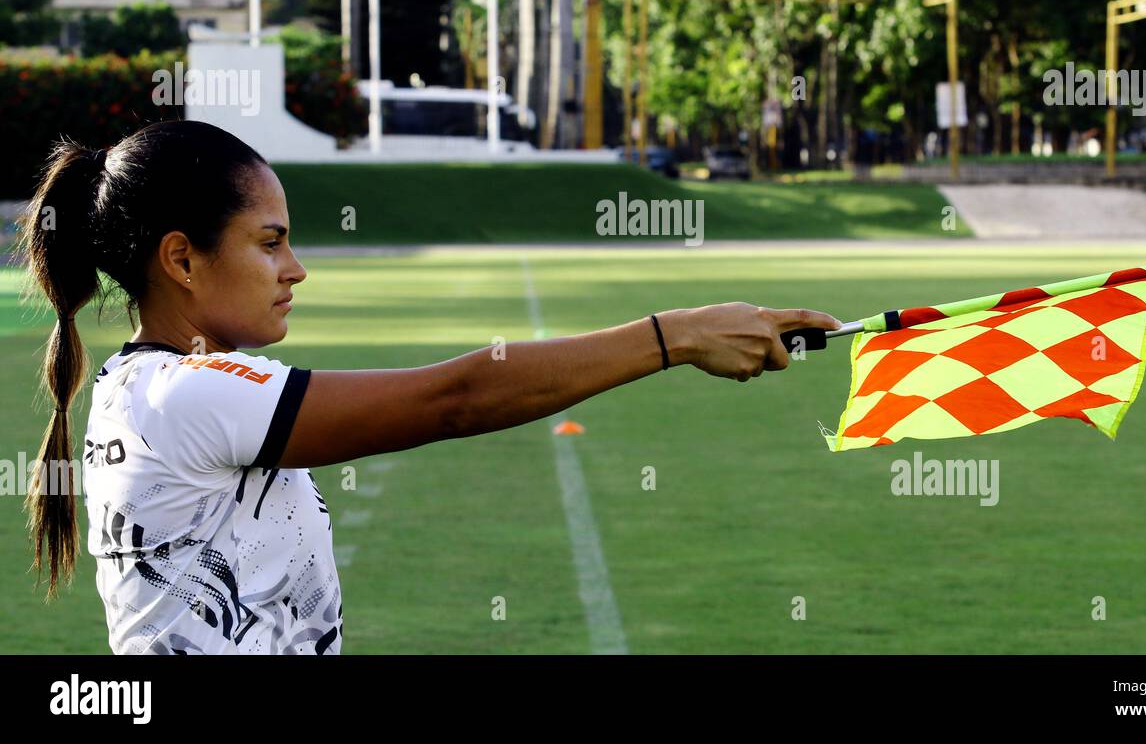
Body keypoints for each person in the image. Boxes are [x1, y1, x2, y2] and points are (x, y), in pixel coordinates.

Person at [19, 120, 841, 655]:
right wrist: (676, 336)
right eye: (268, 243)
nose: (295, 269)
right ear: (181, 259)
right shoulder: (186, 393)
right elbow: (454, 398)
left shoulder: (158, 387)